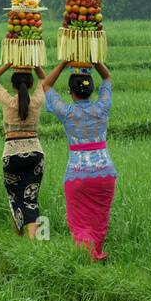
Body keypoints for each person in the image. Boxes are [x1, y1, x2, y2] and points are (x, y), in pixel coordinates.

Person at [42, 61, 118, 262]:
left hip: (78, 175)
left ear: (70, 91)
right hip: (105, 173)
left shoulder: (68, 113)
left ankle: (87, 257)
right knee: (99, 220)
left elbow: (46, 86)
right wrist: (94, 61)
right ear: (92, 89)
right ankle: (96, 253)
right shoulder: (102, 107)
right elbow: (108, 78)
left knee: (80, 223)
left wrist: (64, 62)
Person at [0, 63, 47, 240]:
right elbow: (44, 79)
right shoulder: (35, 102)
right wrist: (35, 66)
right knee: (31, 197)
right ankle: (32, 240)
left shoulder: (8, 101)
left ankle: (19, 235)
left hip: (11, 155)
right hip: (35, 154)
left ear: (13, 85)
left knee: (14, 196)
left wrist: (8, 64)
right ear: (30, 84)